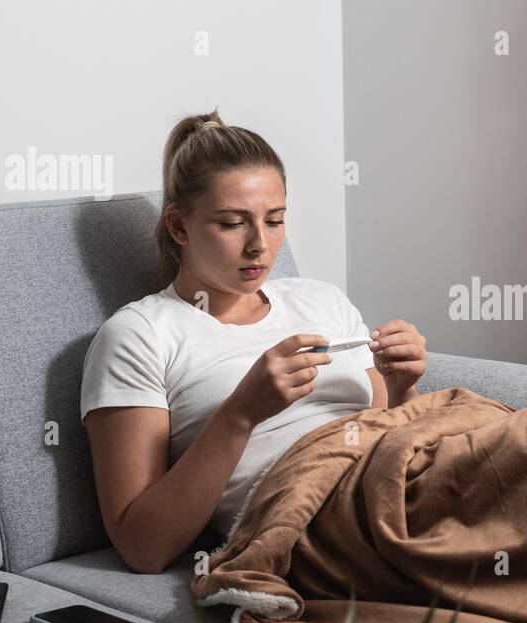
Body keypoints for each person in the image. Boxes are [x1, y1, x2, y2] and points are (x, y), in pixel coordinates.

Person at [81, 110, 428, 574]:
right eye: (232, 223)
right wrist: (242, 411)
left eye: (275, 220)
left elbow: (393, 435)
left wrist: (403, 387)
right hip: (322, 515)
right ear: (180, 227)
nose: (260, 246)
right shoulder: (140, 335)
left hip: (400, 480)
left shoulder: (320, 299)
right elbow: (144, 547)